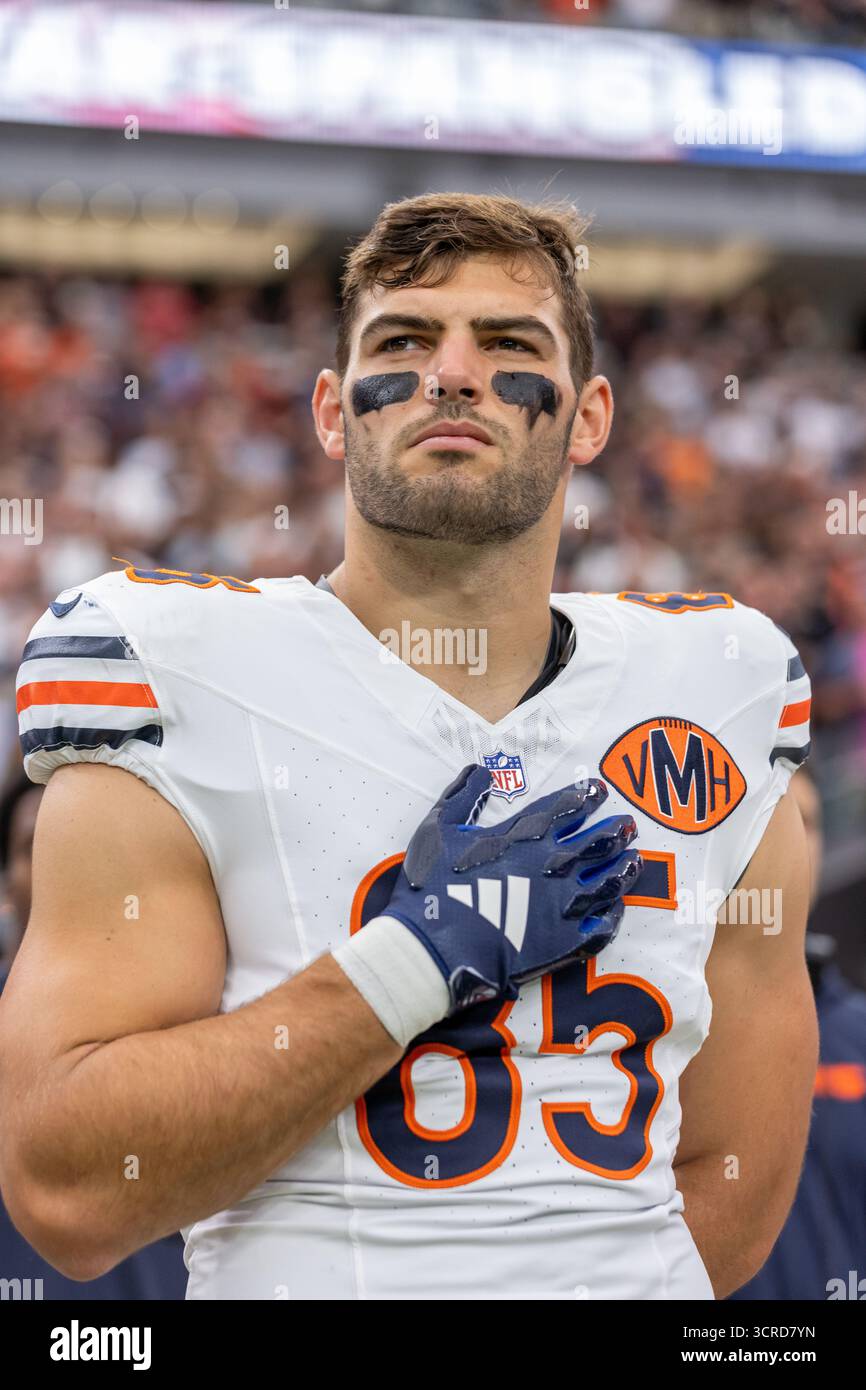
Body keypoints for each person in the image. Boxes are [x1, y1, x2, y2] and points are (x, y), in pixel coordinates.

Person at [0, 193, 815, 1300]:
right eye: (403, 341)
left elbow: (734, 1166)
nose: (450, 373)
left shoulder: (719, 688)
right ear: (333, 412)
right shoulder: (174, 663)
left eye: (508, 344)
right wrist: (414, 961)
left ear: (587, 417)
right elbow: (70, 1191)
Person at [0, 770, 187, 1299]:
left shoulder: (213, 1020)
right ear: (8, 884)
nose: (66, 862)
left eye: (88, 840)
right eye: (34, 845)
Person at [730, 768, 866, 1301]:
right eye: (767, 823)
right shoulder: (661, 1031)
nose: (788, 846)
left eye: (804, 824)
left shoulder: (858, 1034)